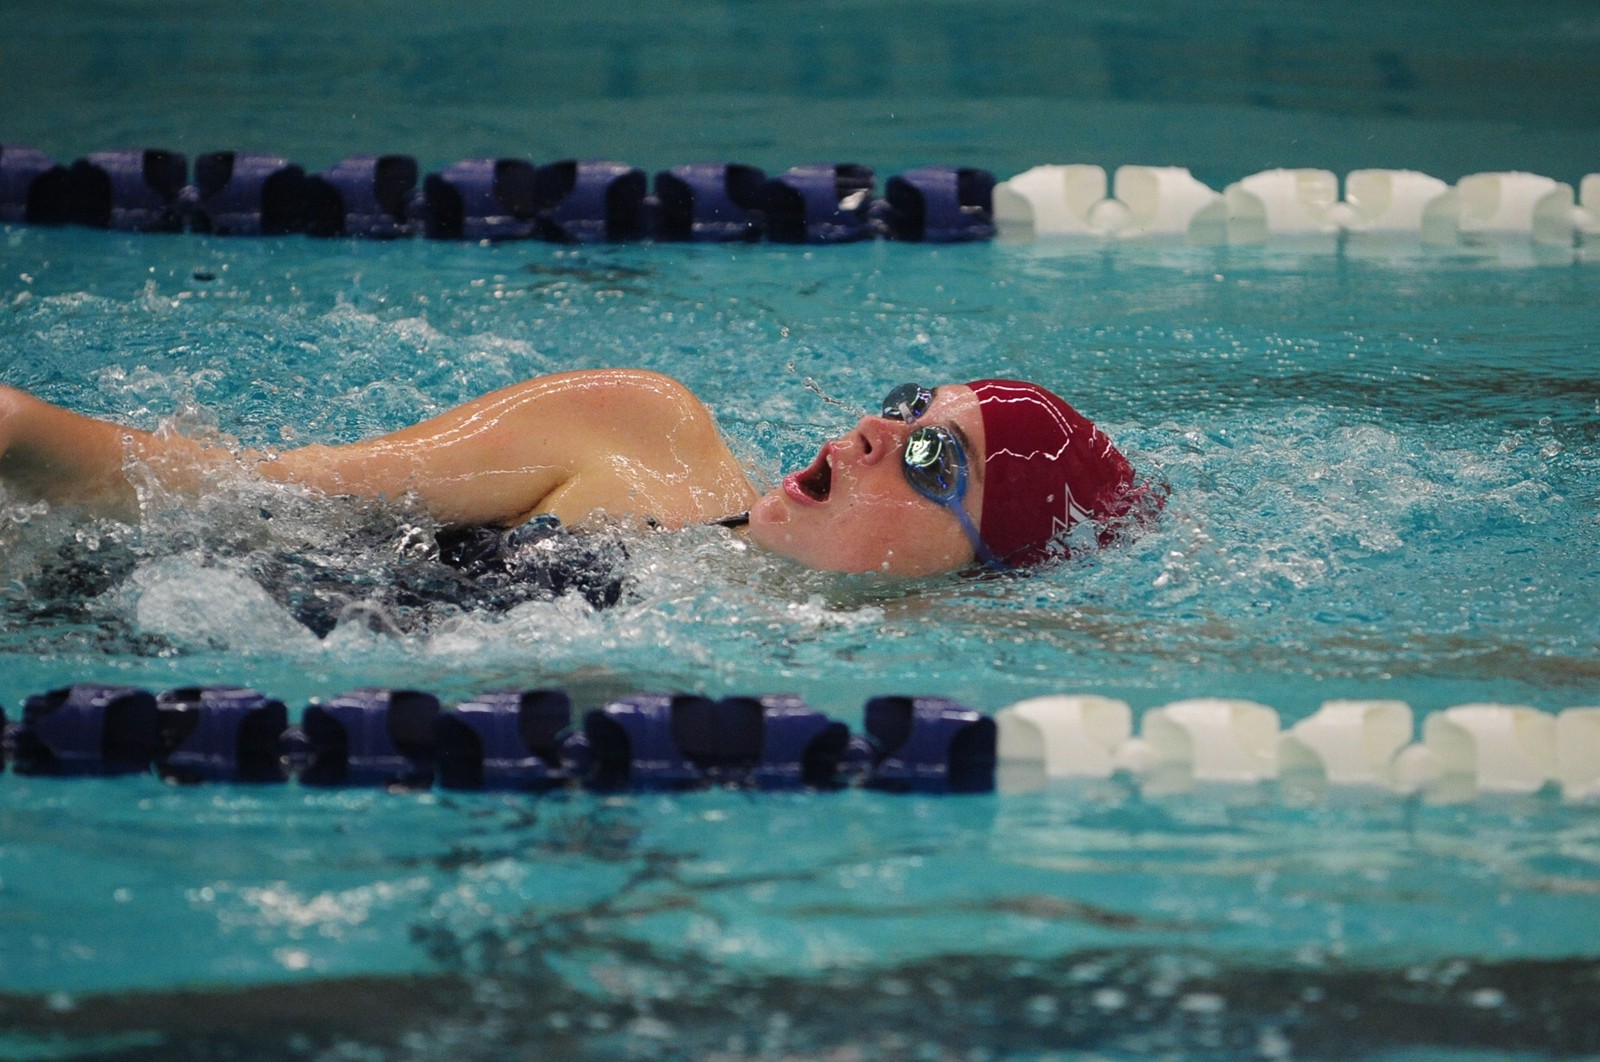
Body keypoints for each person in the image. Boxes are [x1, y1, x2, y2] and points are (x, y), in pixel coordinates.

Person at [0, 368, 1142, 581]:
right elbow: (236, 491)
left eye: (933, 452)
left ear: (974, 561)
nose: (873, 431)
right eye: (904, 406)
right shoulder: (626, 434)